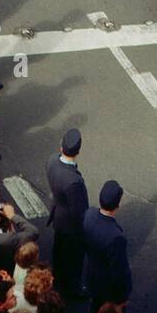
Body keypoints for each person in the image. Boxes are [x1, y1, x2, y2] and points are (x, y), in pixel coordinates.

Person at [46, 128, 89, 300]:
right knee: (74, 259)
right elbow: (79, 211)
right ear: (78, 151)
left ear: (60, 147)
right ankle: (73, 288)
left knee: (59, 251)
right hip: (71, 226)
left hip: (58, 214)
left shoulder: (52, 160)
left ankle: (57, 278)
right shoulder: (74, 181)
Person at [82, 180, 131, 313]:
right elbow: (119, 272)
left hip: (92, 276)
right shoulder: (116, 237)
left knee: (94, 309)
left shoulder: (89, 215)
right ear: (117, 205)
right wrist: (122, 297)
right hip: (106, 287)